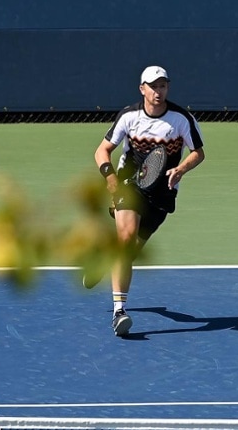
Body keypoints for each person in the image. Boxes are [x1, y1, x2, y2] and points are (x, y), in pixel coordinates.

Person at [87, 66, 206, 337]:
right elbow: (102, 150)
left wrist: (181, 169)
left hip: (162, 192)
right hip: (130, 186)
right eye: (153, 86)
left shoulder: (181, 119)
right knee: (126, 241)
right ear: (142, 89)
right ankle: (120, 311)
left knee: (131, 251)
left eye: (163, 86)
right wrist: (110, 178)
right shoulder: (129, 117)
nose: (158, 91)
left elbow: (198, 153)